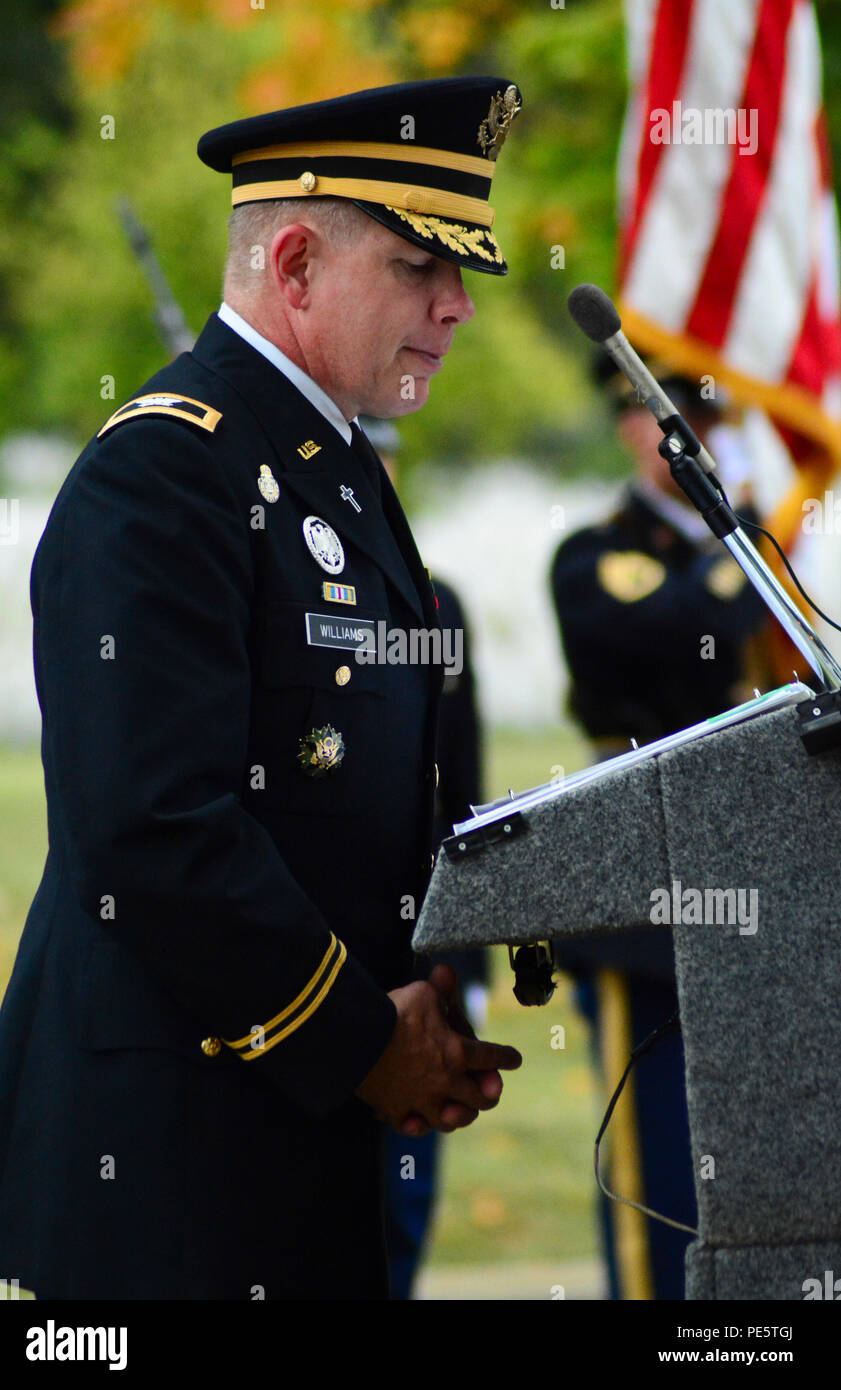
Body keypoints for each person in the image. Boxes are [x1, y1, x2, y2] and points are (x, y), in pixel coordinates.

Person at [0, 77, 524, 1301]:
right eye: (420, 265)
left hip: (287, 1136)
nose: (458, 306)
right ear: (293, 261)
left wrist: (441, 965)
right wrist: (365, 1042)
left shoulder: (323, 466)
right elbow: (155, 830)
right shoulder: (167, 473)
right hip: (171, 1165)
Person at [549, 358, 767, 1299]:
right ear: (626, 428)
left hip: (758, 875)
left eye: (693, 417)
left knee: (765, 1162)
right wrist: (736, 562)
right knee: (659, 1171)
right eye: (650, 415)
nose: (673, 435)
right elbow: (669, 635)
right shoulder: (591, 553)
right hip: (643, 889)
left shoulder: (754, 540)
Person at [360, 415, 489, 1298]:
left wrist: (470, 948)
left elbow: (464, 787)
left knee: (404, 1191)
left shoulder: (434, 599)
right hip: (327, 935)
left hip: (425, 936)